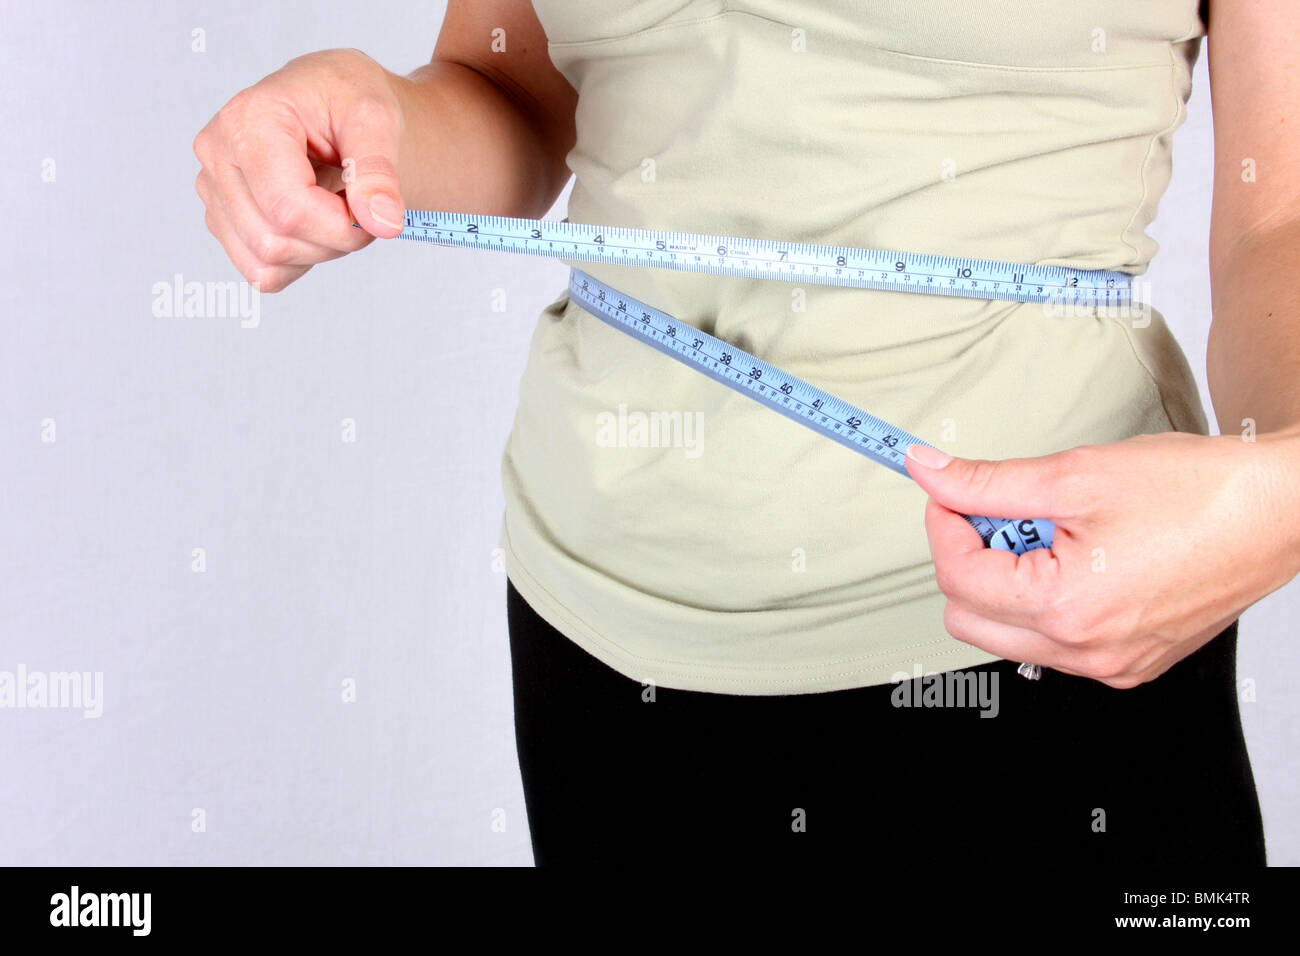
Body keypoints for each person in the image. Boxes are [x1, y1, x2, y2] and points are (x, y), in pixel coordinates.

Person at [194, 0, 1298, 865]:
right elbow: (510, 89)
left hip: (1041, 616)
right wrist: (379, 125)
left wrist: (1279, 496)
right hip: (594, 619)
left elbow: (1278, 221)